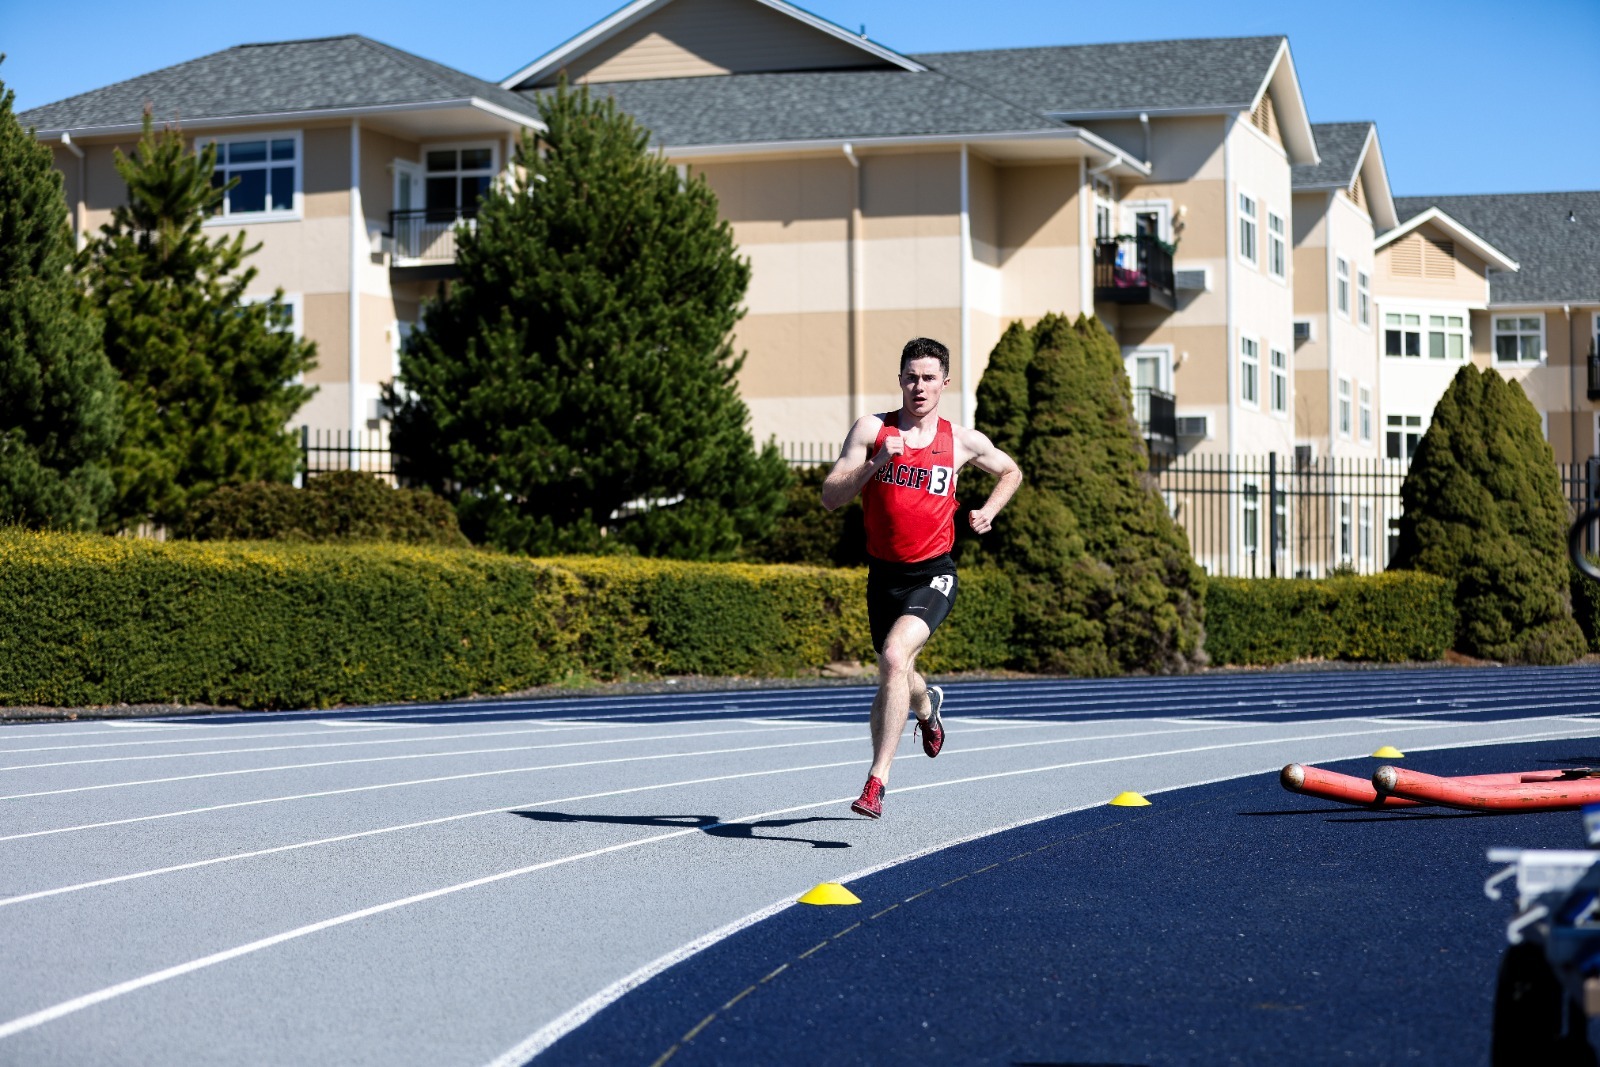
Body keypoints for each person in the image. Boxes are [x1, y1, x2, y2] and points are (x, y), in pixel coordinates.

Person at [821, 337, 1022, 819]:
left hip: (933, 572)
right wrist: (877, 463)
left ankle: (876, 783)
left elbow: (1010, 470)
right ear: (900, 380)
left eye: (929, 378)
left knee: (893, 657)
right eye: (911, 377)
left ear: (944, 384)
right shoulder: (873, 429)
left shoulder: (961, 441)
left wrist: (989, 510)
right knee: (900, 671)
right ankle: (927, 707)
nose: (919, 387)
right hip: (883, 575)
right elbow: (830, 496)